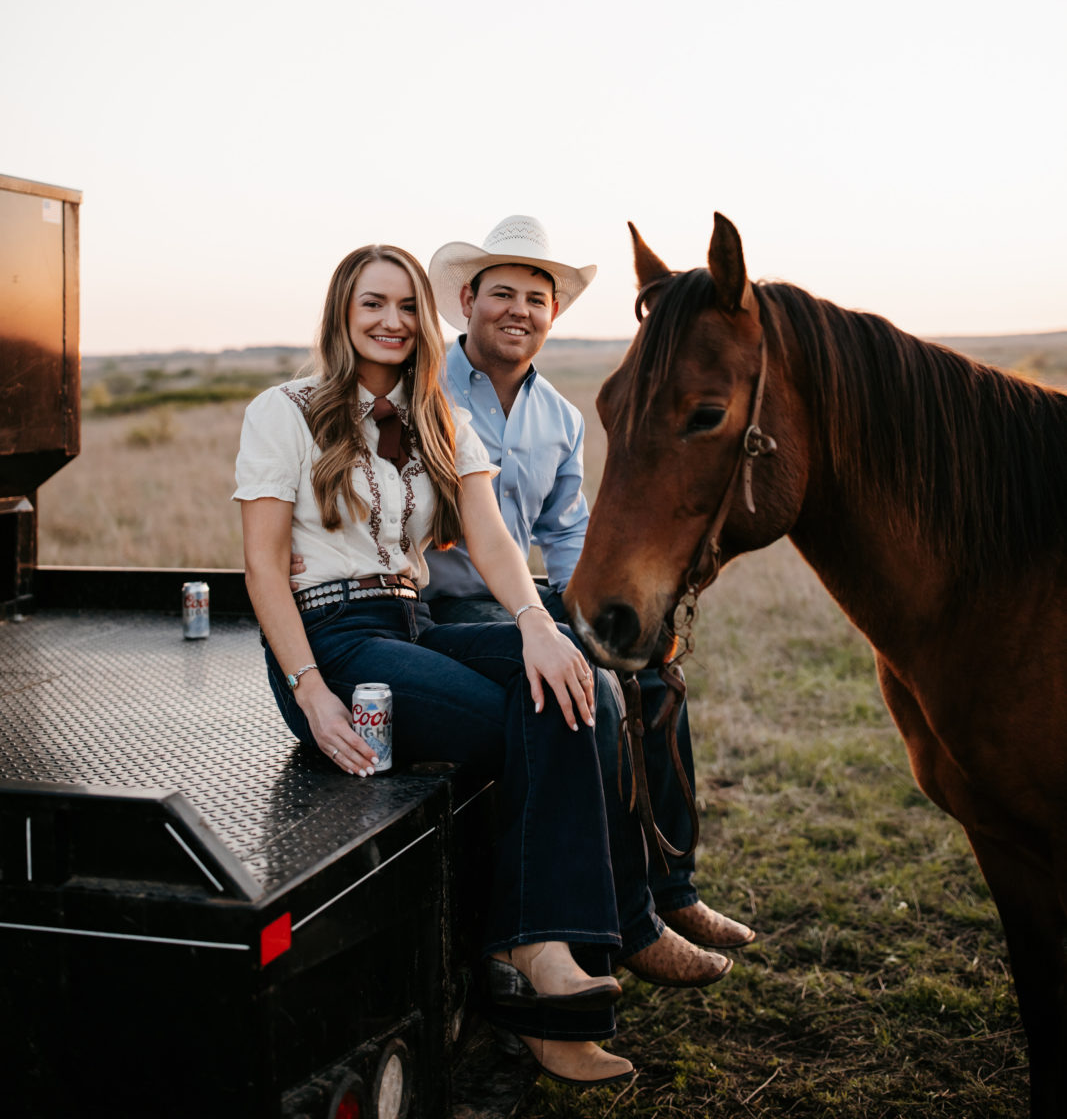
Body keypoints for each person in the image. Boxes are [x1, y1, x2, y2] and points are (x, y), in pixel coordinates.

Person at [234, 242, 633, 1088]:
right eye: (372, 303)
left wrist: (533, 620)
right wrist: (310, 693)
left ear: (428, 318)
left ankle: (545, 947)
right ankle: (531, 943)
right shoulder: (285, 409)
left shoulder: (437, 417)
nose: (391, 321)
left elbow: (490, 535)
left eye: (407, 306)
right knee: (510, 721)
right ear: (343, 312)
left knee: (571, 682)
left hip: (407, 624)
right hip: (330, 640)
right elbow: (264, 567)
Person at [423, 215, 756, 980]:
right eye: (500, 293)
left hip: (531, 599)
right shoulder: (427, 392)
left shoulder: (560, 419)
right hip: (450, 608)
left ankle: (674, 888)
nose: (518, 310)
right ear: (466, 301)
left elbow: (567, 531)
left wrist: (602, 619)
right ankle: (628, 921)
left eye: (535, 298)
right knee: (593, 690)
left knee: (654, 678)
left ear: (554, 314)